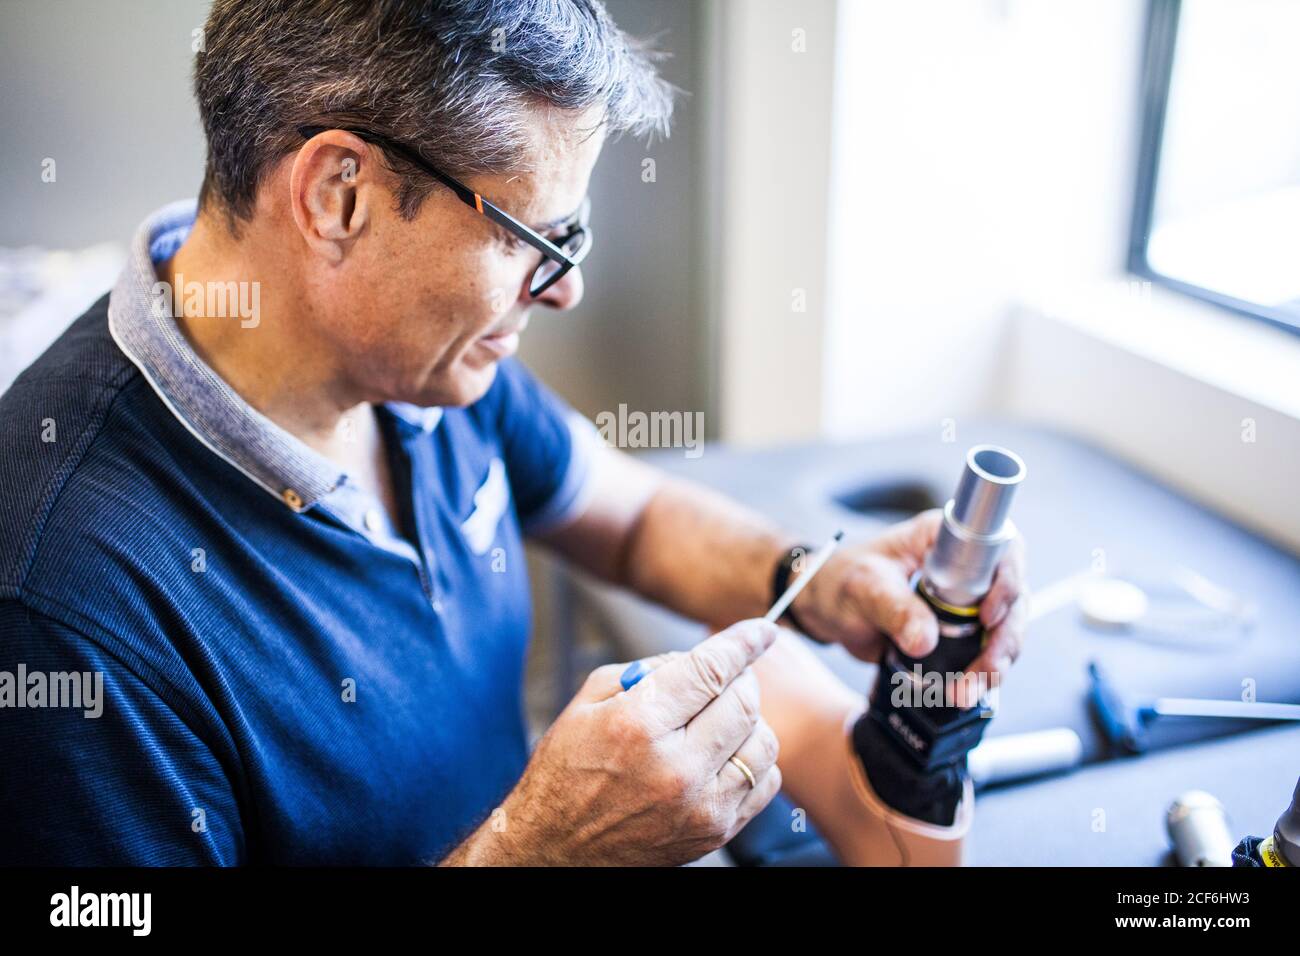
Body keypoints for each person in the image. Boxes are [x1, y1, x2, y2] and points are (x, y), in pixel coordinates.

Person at [0, 0, 1026, 865]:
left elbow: (628, 516)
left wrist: (814, 577)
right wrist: (539, 847)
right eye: (533, 237)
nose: (568, 288)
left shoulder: (422, 361)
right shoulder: (63, 609)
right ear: (336, 196)